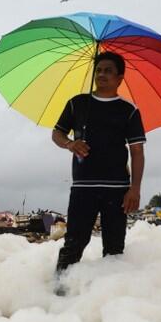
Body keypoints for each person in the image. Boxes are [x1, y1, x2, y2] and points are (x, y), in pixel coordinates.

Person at [51, 52, 145, 281]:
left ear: (119, 77)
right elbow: (57, 133)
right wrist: (70, 144)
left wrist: (135, 189)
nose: (102, 74)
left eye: (108, 71)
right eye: (99, 70)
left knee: (114, 248)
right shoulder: (77, 104)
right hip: (83, 187)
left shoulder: (129, 110)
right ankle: (59, 291)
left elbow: (137, 152)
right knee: (74, 242)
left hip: (117, 188)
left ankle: (110, 295)